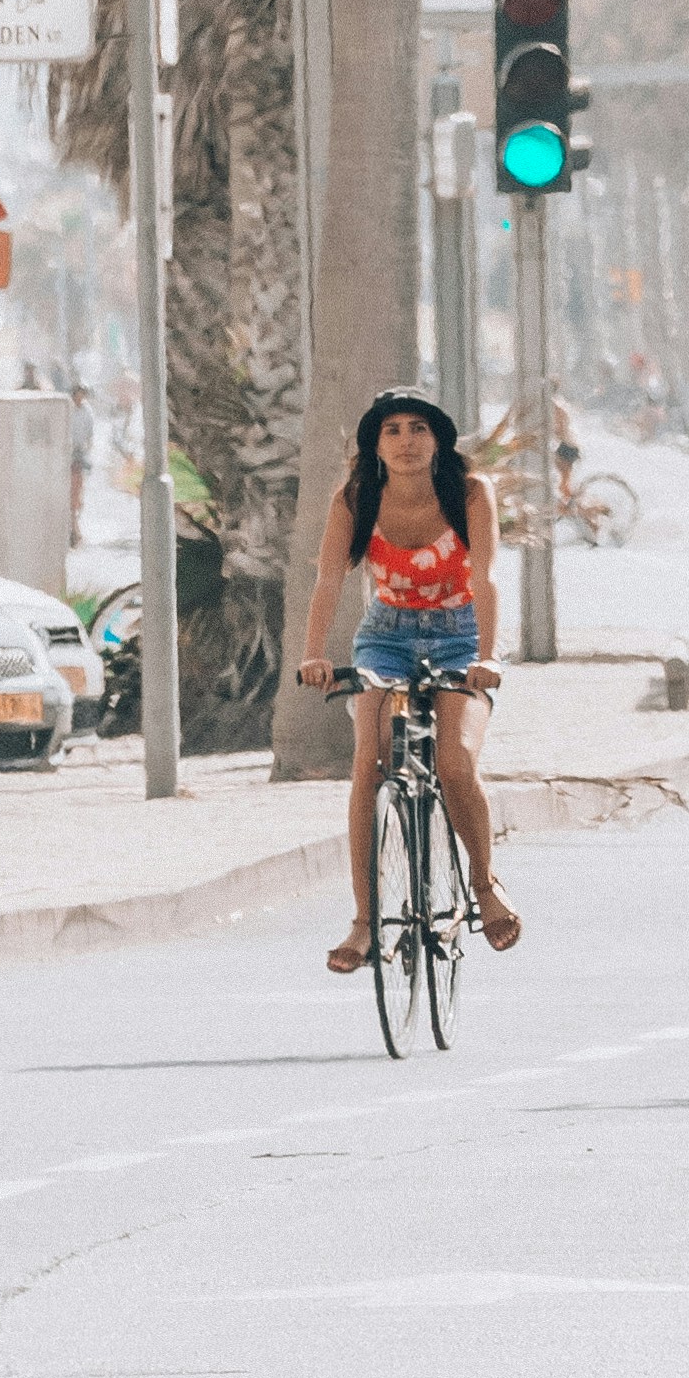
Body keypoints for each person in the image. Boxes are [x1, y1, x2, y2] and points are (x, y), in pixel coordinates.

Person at [299, 391, 519, 968]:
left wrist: (489, 656)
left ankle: (485, 887)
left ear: (438, 438)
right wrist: (314, 654)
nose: (405, 441)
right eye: (391, 430)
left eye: (418, 428)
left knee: (454, 762)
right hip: (386, 638)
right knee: (369, 763)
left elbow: (487, 577)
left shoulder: (470, 493)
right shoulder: (355, 500)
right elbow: (327, 582)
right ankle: (365, 924)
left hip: (461, 635)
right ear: (375, 444)